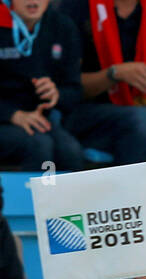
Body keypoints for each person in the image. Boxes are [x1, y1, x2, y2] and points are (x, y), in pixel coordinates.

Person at [64, 0, 146, 170]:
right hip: (91, 107)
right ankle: (127, 195)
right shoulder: (75, 6)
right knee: (142, 120)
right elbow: (69, 87)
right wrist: (114, 74)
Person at [0, 0, 85, 171]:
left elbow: (75, 91)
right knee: (38, 145)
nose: (33, 1)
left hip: (40, 119)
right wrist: (12, 114)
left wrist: (56, 94)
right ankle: (26, 198)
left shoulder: (62, 26)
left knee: (70, 151)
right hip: (5, 117)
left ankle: (67, 198)